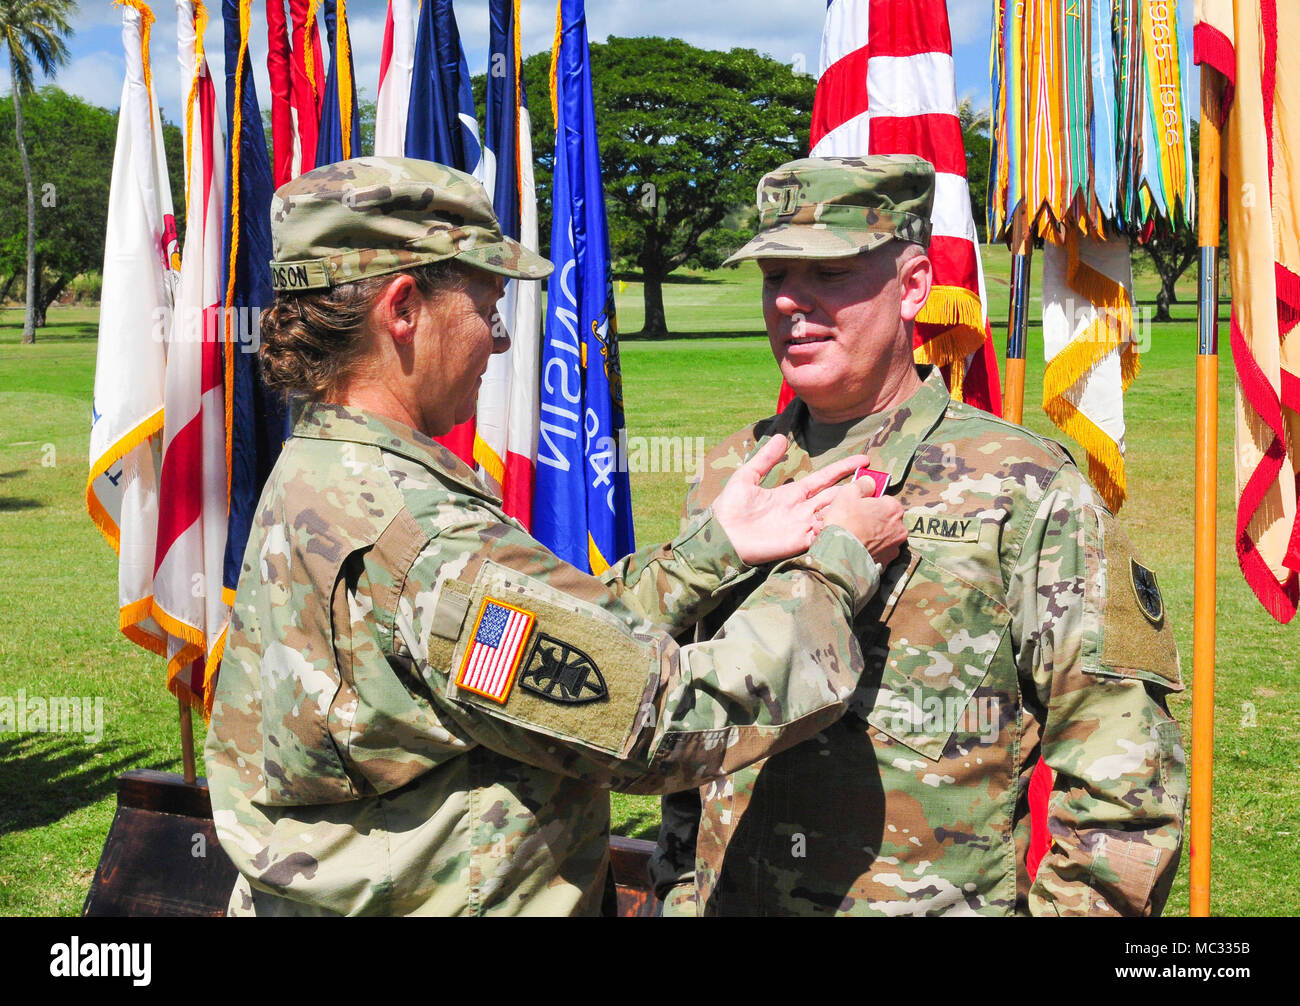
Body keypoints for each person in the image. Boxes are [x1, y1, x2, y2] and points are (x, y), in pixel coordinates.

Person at [202, 157, 908, 917]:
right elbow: (660, 719)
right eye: (488, 305)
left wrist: (714, 552)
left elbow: (542, 643)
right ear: (404, 307)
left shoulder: (321, 469)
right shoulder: (423, 538)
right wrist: (836, 562)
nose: (500, 343)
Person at [649, 155, 1187, 917]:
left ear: (913, 286)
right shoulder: (735, 475)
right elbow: (682, 731)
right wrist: (675, 895)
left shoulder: (1024, 488)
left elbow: (1123, 782)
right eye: (774, 275)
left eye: (829, 274)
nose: (791, 302)